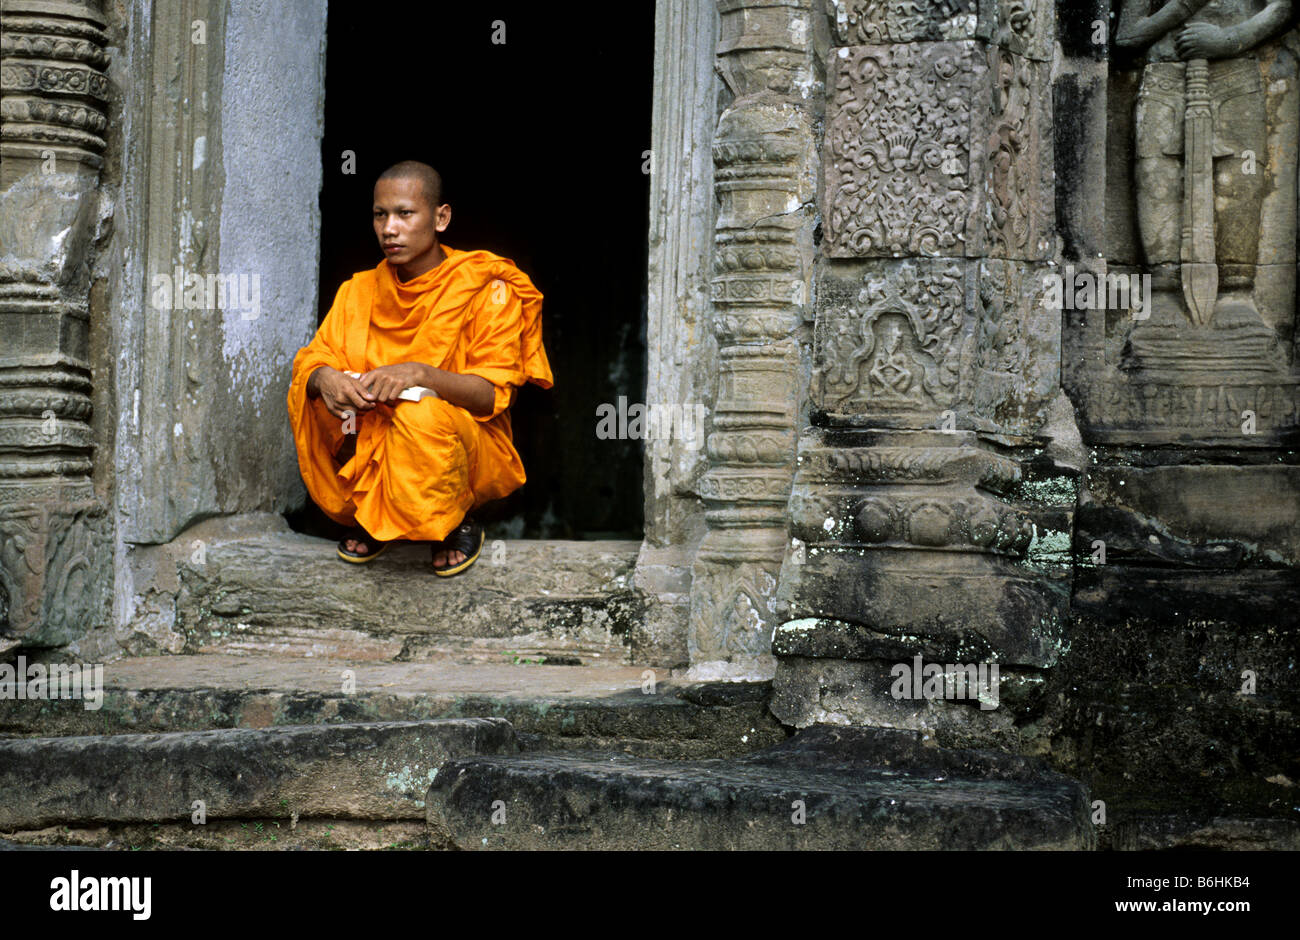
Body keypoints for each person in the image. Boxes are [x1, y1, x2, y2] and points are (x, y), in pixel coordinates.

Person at [287, 160, 552, 575]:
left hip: (464, 442)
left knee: (420, 415)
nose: (389, 229)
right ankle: (380, 515)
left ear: (440, 217)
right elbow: (313, 359)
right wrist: (326, 379)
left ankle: (452, 520)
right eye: (380, 215)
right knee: (318, 397)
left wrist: (421, 375)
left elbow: (492, 395)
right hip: (375, 433)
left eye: (405, 214)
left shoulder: (487, 289)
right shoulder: (358, 291)